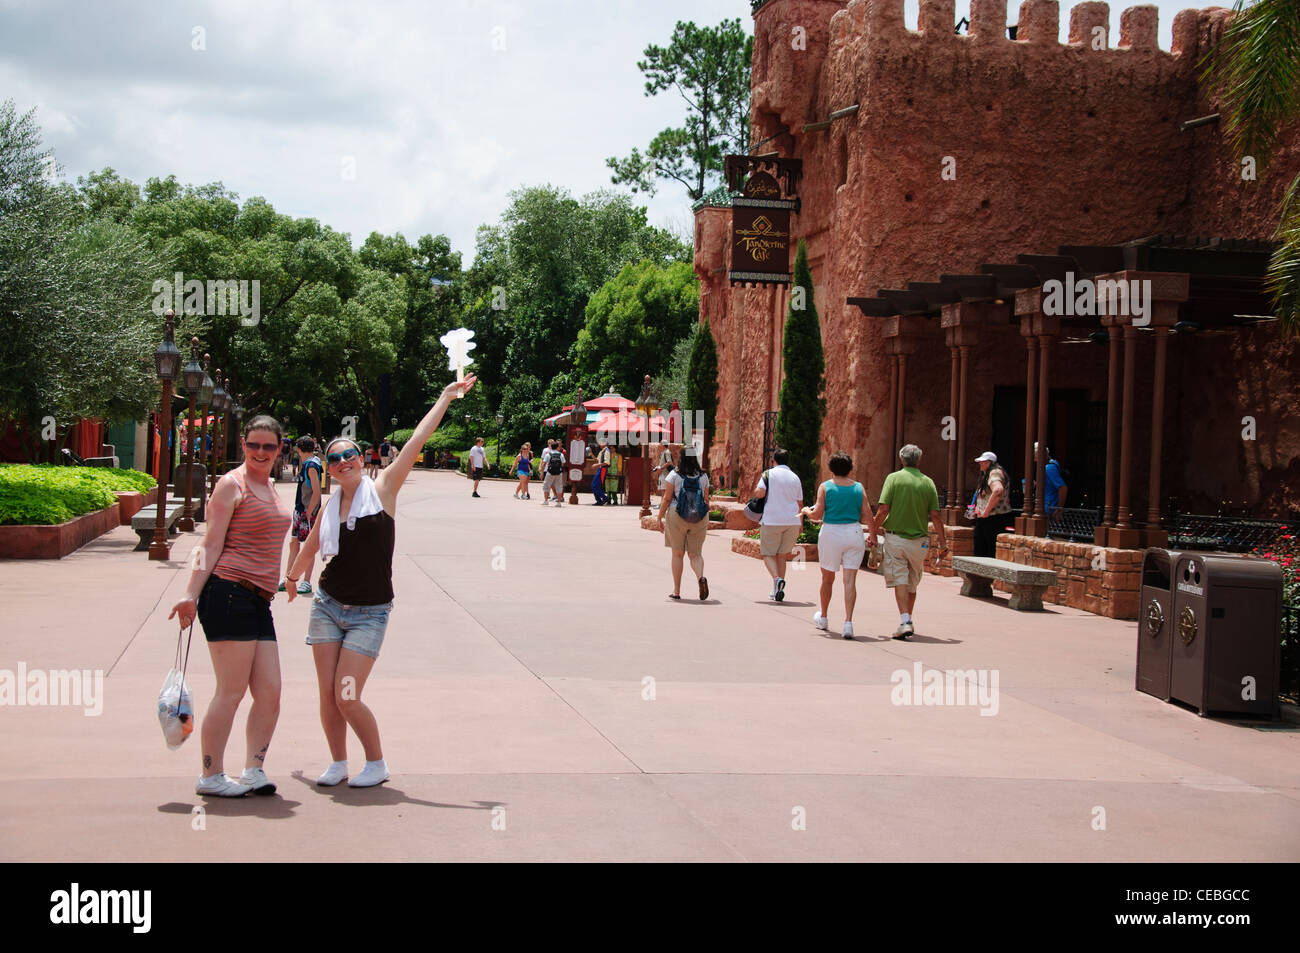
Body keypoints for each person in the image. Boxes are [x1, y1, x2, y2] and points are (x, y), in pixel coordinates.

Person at [286, 375, 477, 788]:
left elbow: (418, 440)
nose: (342, 463)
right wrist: (289, 577)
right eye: (334, 460)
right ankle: (338, 761)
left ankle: (376, 762)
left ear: (361, 456)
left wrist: (445, 397)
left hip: (370, 612)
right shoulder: (331, 505)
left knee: (347, 694)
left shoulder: (384, 488)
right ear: (329, 469)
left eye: (349, 455)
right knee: (327, 694)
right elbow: (308, 547)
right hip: (327, 605)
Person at [168, 415, 293, 797]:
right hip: (227, 593)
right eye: (253, 444)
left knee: (270, 691)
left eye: (268, 446)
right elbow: (210, 544)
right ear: (243, 445)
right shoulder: (231, 484)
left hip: (259, 600)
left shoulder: (270, 486)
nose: (260, 452)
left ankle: (254, 769)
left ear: (278, 448)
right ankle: (210, 775)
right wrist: (190, 593)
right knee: (231, 691)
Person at [868, 444, 946, 639]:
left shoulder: (893, 479)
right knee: (912, 583)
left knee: (900, 579)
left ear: (901, 460)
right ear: (919, 460)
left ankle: (905, 620)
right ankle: (907, 619)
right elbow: (935, 515)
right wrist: (944, 543)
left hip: (897, 538)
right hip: (920, 542)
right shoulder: (928, 482)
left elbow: (883, 509)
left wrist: (873, 531)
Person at [800, 451, 874, 639]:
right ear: (850, 468)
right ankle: (848, 623)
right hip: (854, 533)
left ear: (831, 468)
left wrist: (806, 511)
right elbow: (868, 513)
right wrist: (872, 535)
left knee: (827, 578)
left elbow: (817, 514)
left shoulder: (825, 487)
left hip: (831, 532)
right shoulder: (858, 487)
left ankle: (823, 617)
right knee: (850, 581)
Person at [752, 448, 804, 602]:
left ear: (774, 460)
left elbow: (760, 492)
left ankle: (776, 579)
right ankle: (777, 589)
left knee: (767, 553)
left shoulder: (769, 474)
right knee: (782, 555)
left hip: (772, 519)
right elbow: (800, 502)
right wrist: (801, 523)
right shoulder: (795, 477)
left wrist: (755, 491)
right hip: (792, 520)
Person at [659, 448, 709, 601]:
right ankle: (700, 577)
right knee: (695, 554)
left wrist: (660, 516)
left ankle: (676, 591)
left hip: (677, 515)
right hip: (699, 517)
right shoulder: (703, 476)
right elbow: (706, 499)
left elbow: (667, 499)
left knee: (677, 553)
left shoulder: (674, 475)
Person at [281, 436, 323, 594]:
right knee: (294, 543)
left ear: (298, 449)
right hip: (301, 509)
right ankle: (288, 577)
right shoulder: (312, 462)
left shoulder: (311, 465)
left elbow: (317, 491)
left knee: (308, 547)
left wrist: (309, 511)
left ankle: (306, 581)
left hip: (306, 511)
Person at [972, 451, 1012, 558]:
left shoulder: (994, 472)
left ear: (989, 463)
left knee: (987, 549)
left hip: (993, 517)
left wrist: (986, 511)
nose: (980, 464)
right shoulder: (988, 474)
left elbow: (998, 490)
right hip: (987, 517)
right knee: (981, 547)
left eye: (983, 462)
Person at [541, 439, 566, 506]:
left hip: (550, 472)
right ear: (557, 447)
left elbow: (544, 464)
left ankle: (546, 501)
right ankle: (558, 502)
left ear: (551, 447)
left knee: (546, 486)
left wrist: (541, 471)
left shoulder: (548, 454)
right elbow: (563, 463)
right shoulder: (561, 455)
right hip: (559, 473)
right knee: (559, 486)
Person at [592, 441, 612, 505]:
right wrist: (591, 453)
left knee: (594, 485)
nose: (599, 444)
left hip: (603, 469)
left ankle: (605, 498)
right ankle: (599, 500)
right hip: (600, 469)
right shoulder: (602, 451)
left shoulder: (607, 451)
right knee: (595, 485)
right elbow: (597, 460)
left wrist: (596, 465)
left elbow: (607, 462)